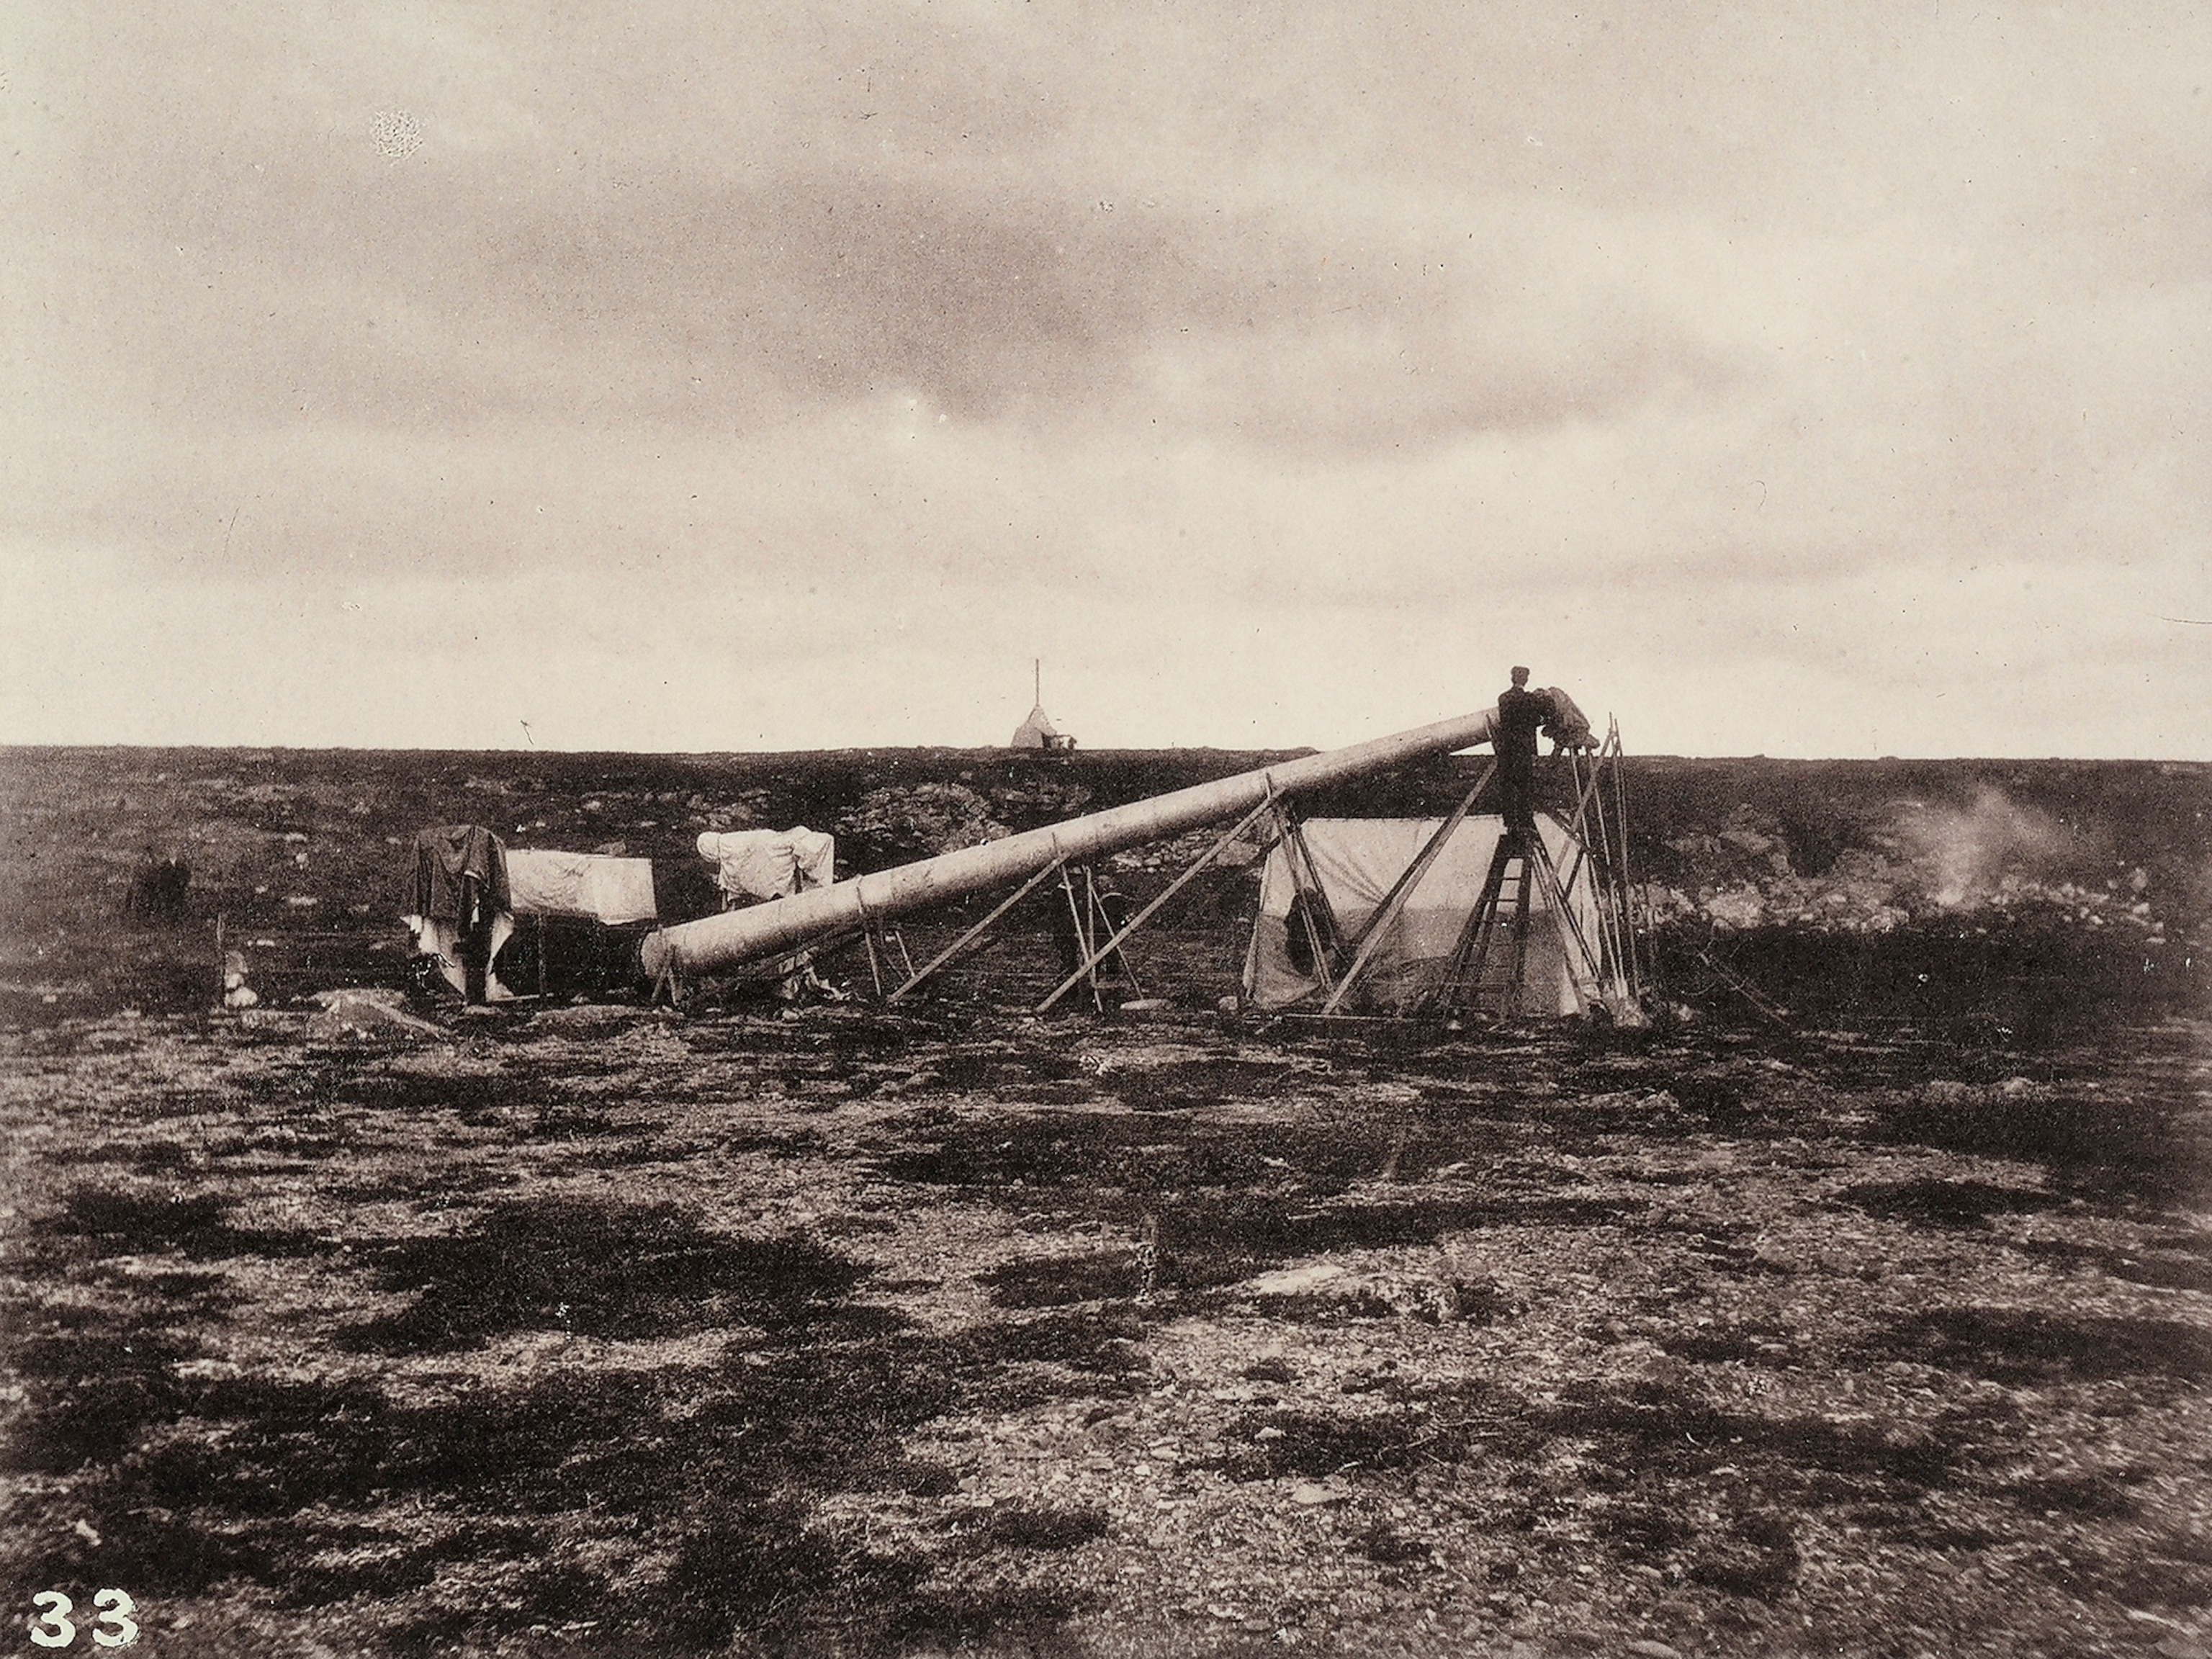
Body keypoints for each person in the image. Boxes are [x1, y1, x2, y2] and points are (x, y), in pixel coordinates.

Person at [1495, 666, 1555, 841]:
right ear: (1526, 680)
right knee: (1524, 787)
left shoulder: (1503, 698)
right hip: (1524, 750)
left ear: (1512, 678)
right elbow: (1545, 714)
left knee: (1508, 787)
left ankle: (1511, 823)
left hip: (1507, 751)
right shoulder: (1530, 699)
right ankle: (1525, 822)